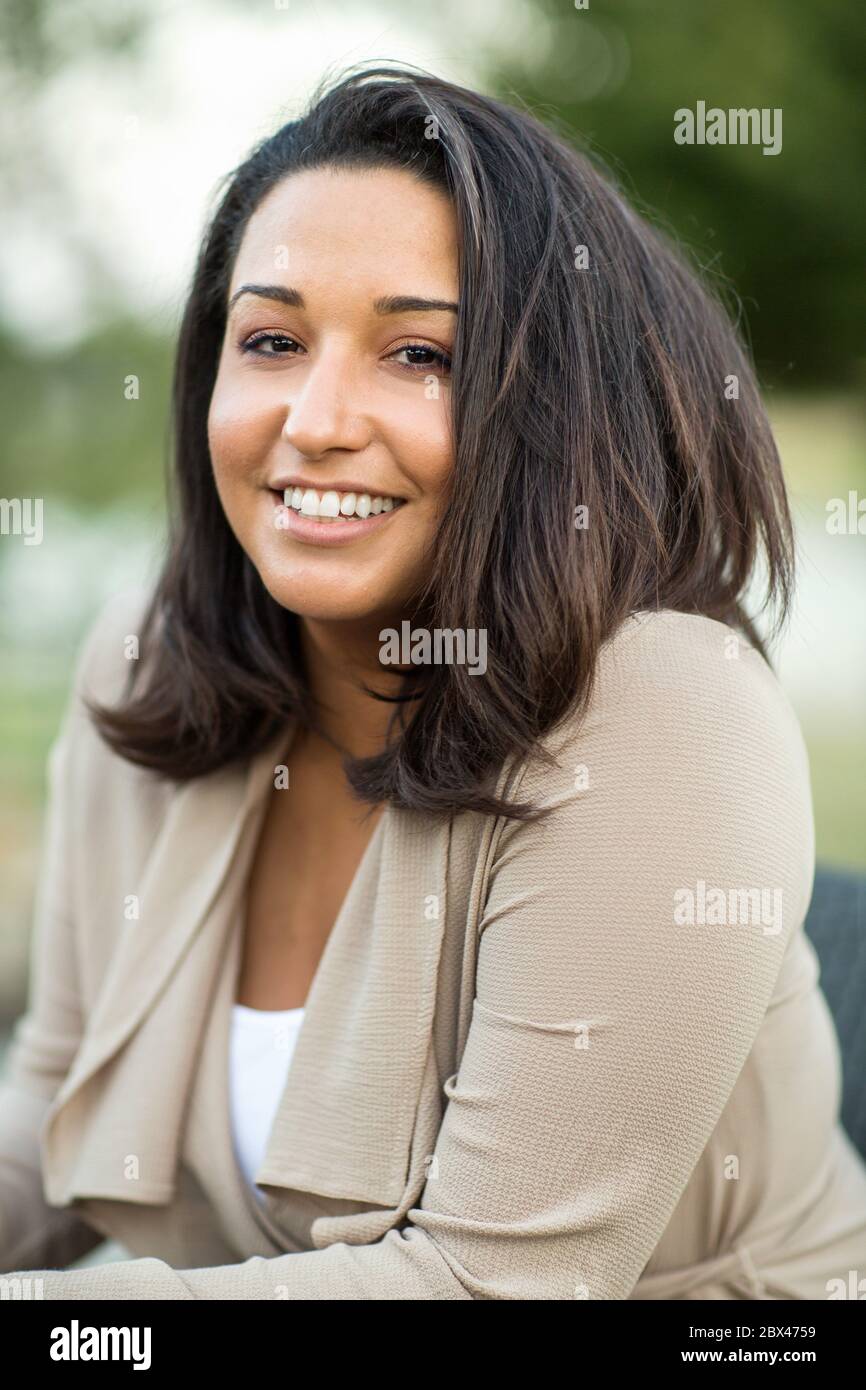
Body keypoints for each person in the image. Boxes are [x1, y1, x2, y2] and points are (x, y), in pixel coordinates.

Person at [2, 62, 866, 1300]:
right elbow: (55, 1094)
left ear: (560, 411)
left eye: (417, 353)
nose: (313, 415)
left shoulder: (671, 710)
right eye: (272, 340)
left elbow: (482, 1288)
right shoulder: (152, 660)